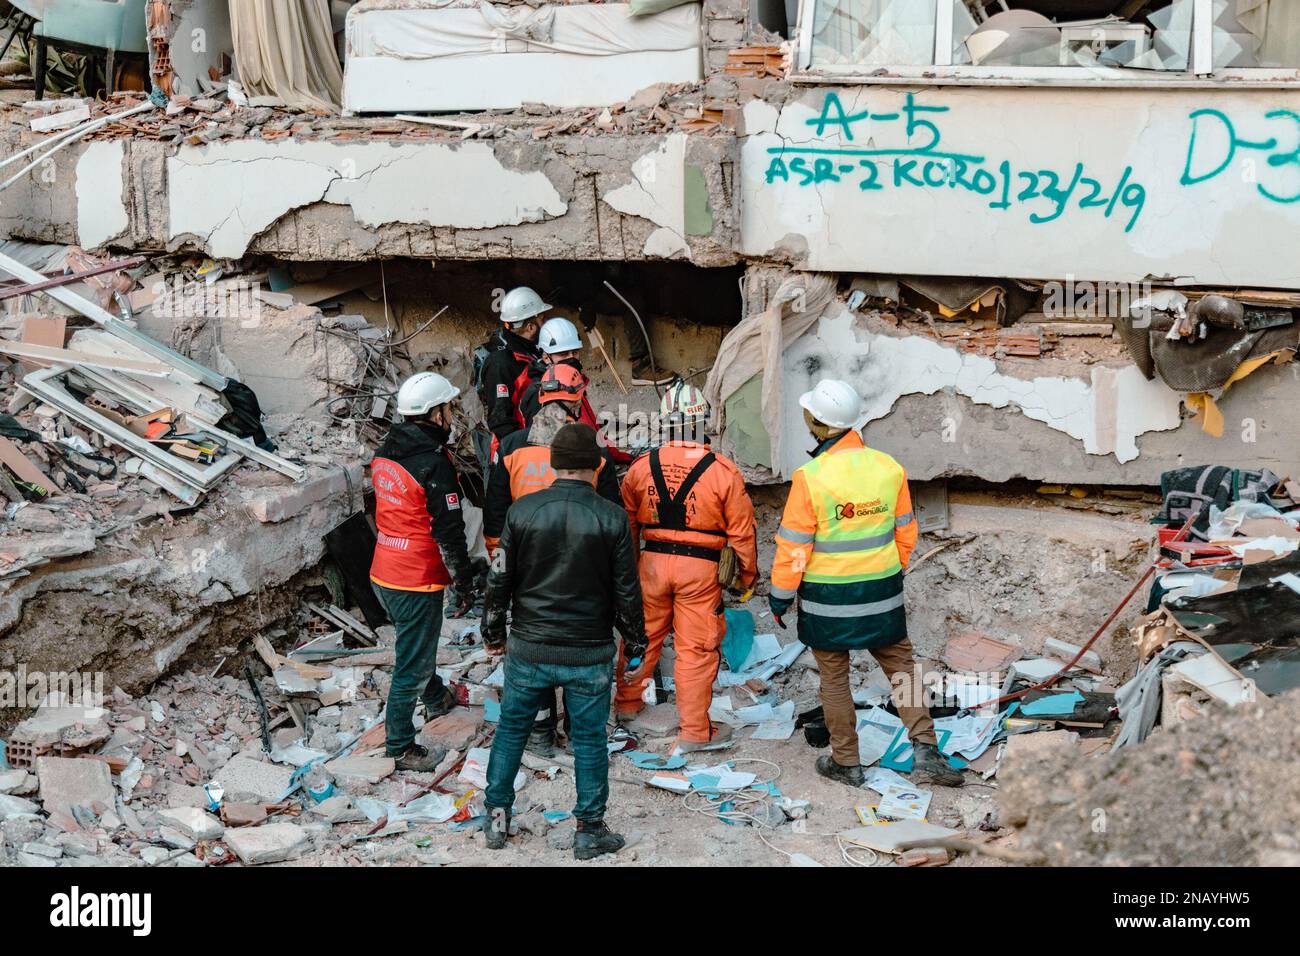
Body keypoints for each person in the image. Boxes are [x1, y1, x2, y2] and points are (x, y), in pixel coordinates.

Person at [768, 379, 962, 788]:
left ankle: (846, 763)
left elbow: (794, 547)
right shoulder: (888, 467)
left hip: (827, 600)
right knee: (903, 670)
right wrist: (890, 574)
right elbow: (906, 532)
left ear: (816, 423)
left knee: (834, 678)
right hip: (881, 592)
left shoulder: (811, 476)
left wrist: (781, 595)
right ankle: (926, 751)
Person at [482, 424, 648, 861]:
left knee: (512, 730)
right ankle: (589, 831)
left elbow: (497, 580)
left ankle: (496, 817)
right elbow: (627, 590)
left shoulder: (521, 512)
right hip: (589, 651)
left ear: (554, 462)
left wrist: (493, 633)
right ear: (596, 466)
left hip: (529, 648)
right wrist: (636, 640)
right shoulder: (611, 517)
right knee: (590, 740)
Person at [482, 363, 623, 756]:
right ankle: (581, 733)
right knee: (579, 643)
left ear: (539, 397)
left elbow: (495, 513)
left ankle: (541, 734)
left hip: (525, 562)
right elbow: (613, 515)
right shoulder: (592, 450)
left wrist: (499, 563)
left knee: (534, 637)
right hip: (586, 563)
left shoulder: (510, 447)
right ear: (578, 401)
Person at [615, 382, 758, 754]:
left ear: (665, 424)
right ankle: (695, 731)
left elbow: (628, 525)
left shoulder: (640, 467)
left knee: (641, 637)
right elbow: (742, 533)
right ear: (703, 423)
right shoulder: (723, 471)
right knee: (696, 650)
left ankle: (627, 706)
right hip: (701, 569)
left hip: (651, 564)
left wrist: (630, 571)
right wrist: (745, 579)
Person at [370, 372, 477, 772]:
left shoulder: (386, 451)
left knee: (415, 643)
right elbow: (449, 531)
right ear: (435, 413)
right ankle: (400, 746)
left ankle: (438, 699)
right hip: (415, 576)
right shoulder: (432, 464)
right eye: (448, 408)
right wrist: (464, 583)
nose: (452, 415)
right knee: (410, 664)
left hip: (382, 570)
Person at [519, 316, 632, 464]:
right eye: (563, 354)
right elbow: (545, 450)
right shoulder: (541, 393)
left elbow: (591, 427)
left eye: (575, 352)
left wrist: (616, 456)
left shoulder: (571, 382)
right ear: (546, 357)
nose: (572, 358)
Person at [477, 286, 548, 442]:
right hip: (518, 452)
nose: (545, 324)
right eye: (542, 319)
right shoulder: (501, 363)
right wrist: (523, 453)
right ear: (530, 327)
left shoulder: (530, 352)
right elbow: (501, 423)